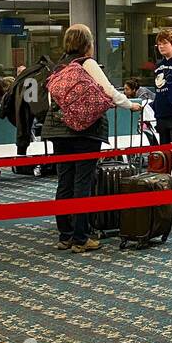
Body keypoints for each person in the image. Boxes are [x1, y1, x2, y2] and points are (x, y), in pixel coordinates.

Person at [43, 23, 141, 253]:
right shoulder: (87, 64)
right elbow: (109, 91)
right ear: (88, 44)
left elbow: (51, 101)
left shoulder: (59, 67)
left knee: (64, 182)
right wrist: (131, 106)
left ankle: (65, 235)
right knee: (82, 182)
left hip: (58, 130)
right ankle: (81, 238)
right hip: (85, 131)